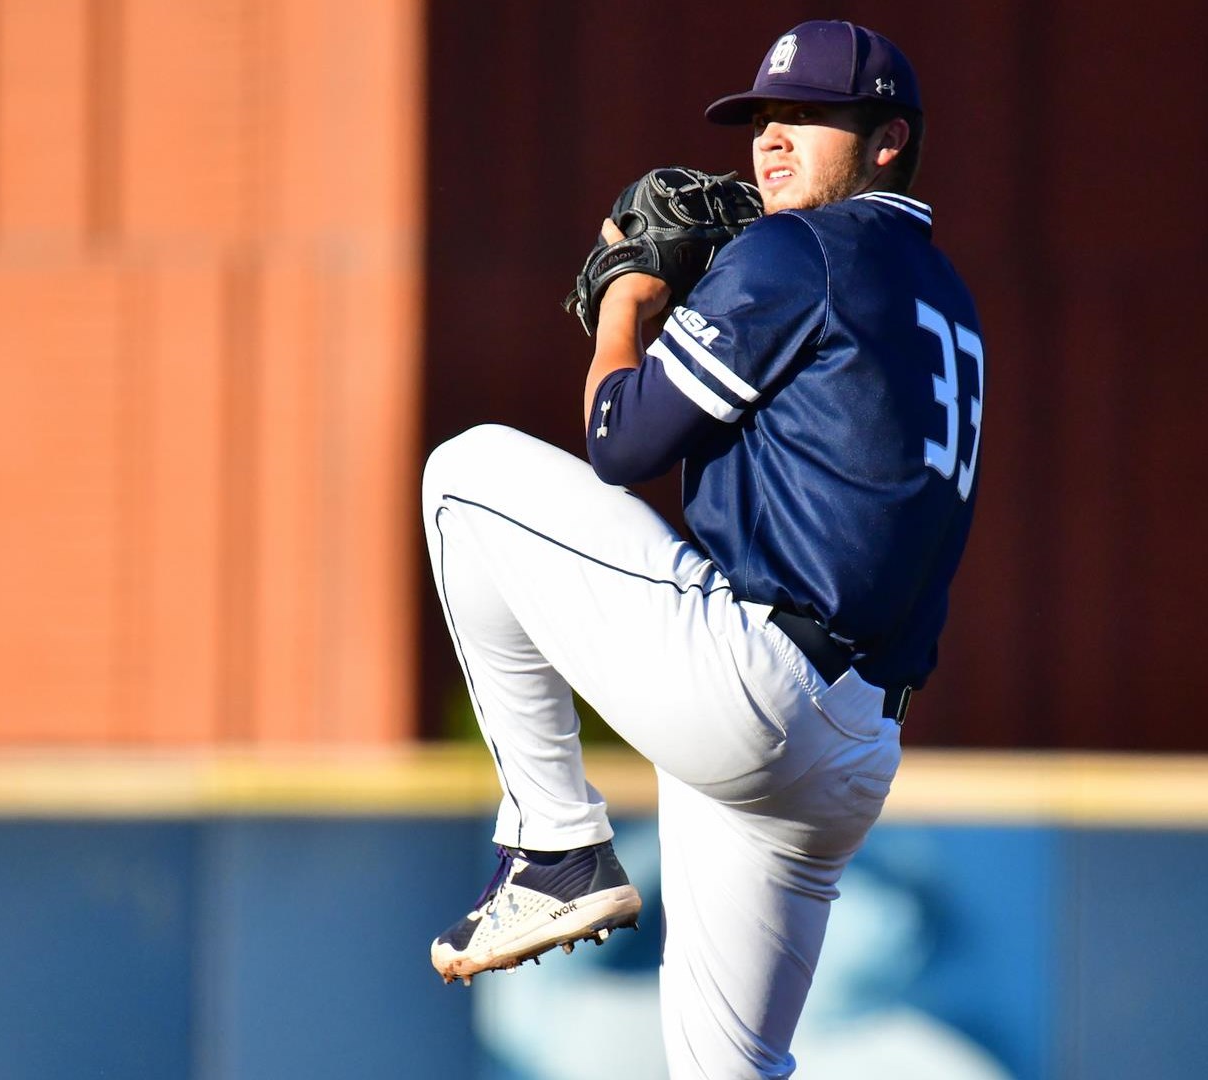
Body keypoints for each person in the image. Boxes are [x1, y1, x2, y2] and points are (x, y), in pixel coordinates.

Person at [421, 18, 985, 1078]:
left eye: (810, 117)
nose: (773, 140)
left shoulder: (797, 251)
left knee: (465, 476)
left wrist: (629, 300)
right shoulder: (944, 295)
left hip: (757, 686)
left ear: (889, 138)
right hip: (851, 749)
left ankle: (553, 844)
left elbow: (619, 441)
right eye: (765, 119)